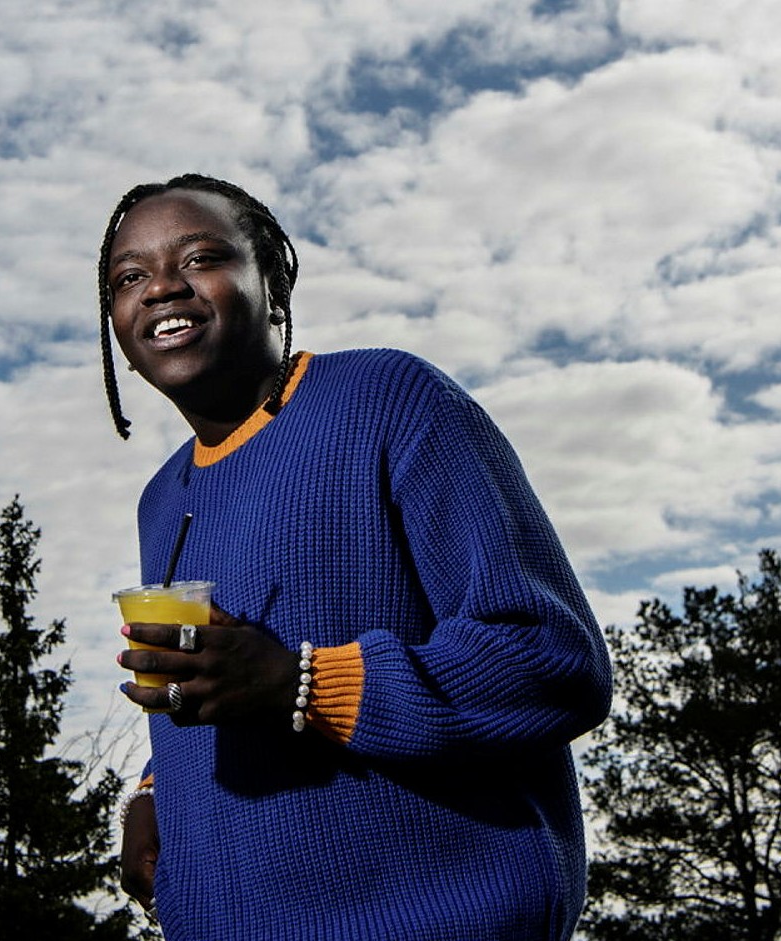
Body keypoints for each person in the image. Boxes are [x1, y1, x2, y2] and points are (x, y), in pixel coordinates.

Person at [102, 173, 614, 940]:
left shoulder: (391, 399)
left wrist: (300, 681)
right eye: (129, 277)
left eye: (201, 257)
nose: (161, 287)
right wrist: (154, 793)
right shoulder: (160, 498)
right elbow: (215, 692)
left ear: (273, 287)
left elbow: (552, 662)